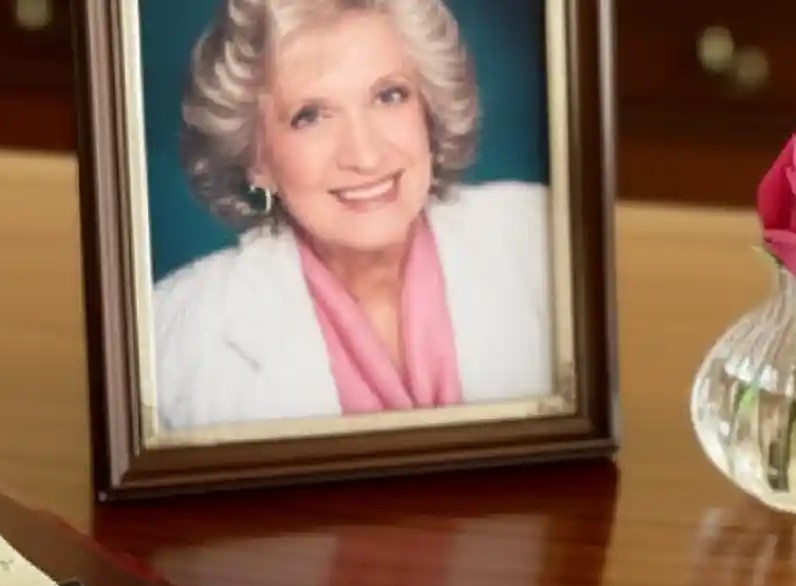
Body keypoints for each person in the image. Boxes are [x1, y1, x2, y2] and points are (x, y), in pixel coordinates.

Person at [153, 0, 553, 432]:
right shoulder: (172, 340)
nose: (365, 155)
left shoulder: (546, 238)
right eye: (310, 117)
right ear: (257, 161)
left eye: (388, 96)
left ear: (428, 110)